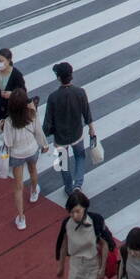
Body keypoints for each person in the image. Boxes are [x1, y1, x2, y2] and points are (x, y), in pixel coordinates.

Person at [43, 62, 97, 198]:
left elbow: (48, 122)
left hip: (60, 138)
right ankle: (78, 185)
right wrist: (91, 129)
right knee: (80, 156)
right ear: (71, 75)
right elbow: (87, 113)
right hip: (77, 134)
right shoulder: (80, 92)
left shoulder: (53, 97)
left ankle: (68, 188)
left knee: (63, 164)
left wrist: (43, 140)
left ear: (58, 78)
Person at [0, 87, 49, 230]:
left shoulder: (8, 122)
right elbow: (38, 131)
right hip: (32, 149)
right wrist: (44, 145)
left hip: (16, 154)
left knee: (18, 185)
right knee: (33, 170)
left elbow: (7, 142)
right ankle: (34, 191)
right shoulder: (32, 114)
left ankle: (21, 218)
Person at [54, 190, 114, 279]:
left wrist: (102, 268)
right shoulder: (67, 224)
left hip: (93, 265)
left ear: (85, 208)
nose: (74, 215)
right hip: (75, 266)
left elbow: (105, 244)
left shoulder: (96, 220)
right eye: (71, 212)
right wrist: (61, 265)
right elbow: (64, 244)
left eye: (77, 211)